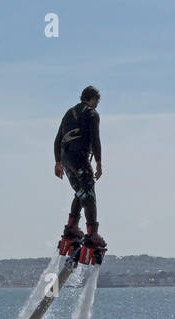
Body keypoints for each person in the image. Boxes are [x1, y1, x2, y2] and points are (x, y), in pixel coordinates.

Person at [53, 86, 106, 251]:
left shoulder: (69, 113)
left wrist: (57, 163)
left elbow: (57, 140)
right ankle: (92, 234)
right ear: (93, 99)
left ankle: (71, 227)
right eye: (97, 101)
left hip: (65, 159)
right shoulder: (91, 113)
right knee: (89, 192)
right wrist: (98, 162)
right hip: (79, 157)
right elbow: (95, 139)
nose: (97, 104)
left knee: (81, 191)